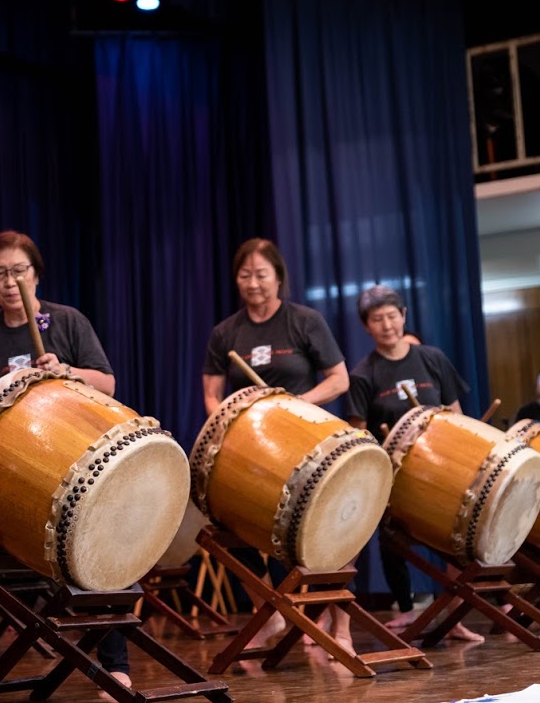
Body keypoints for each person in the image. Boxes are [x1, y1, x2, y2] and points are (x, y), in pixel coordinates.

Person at [0, 230, 131, 693]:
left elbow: (109, 384)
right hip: (15, 472)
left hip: (76, 462)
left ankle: (115, 661)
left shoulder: (66, 322)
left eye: (19, 270)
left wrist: (68, 373)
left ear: (36, 275)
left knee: (101, 543)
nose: (9, 280)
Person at [200, 238, 350, 651]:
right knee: (230, 527)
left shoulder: (304, 320)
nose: (253, 283)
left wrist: (295, 403)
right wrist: (227, 418)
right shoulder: (226, 332)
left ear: (279, 278)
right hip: (252, 448)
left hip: (307, 440)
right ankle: (269, 615)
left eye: (261, 274)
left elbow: (339, 379)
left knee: (327, 532)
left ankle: (341, 630)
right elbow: (212, 393)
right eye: (245, 275)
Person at [345, 284, 483, 642]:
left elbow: (457, 415)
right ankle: (406, 609)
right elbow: (359, 435)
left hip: (444, 468)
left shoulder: (432, 358)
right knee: (391, 540)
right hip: (397, 477)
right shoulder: (362, 375)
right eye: (378, 319)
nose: (387, 324)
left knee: (457, 538)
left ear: (404, 316)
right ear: (366, 326)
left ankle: (454, 615)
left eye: (392, 316)